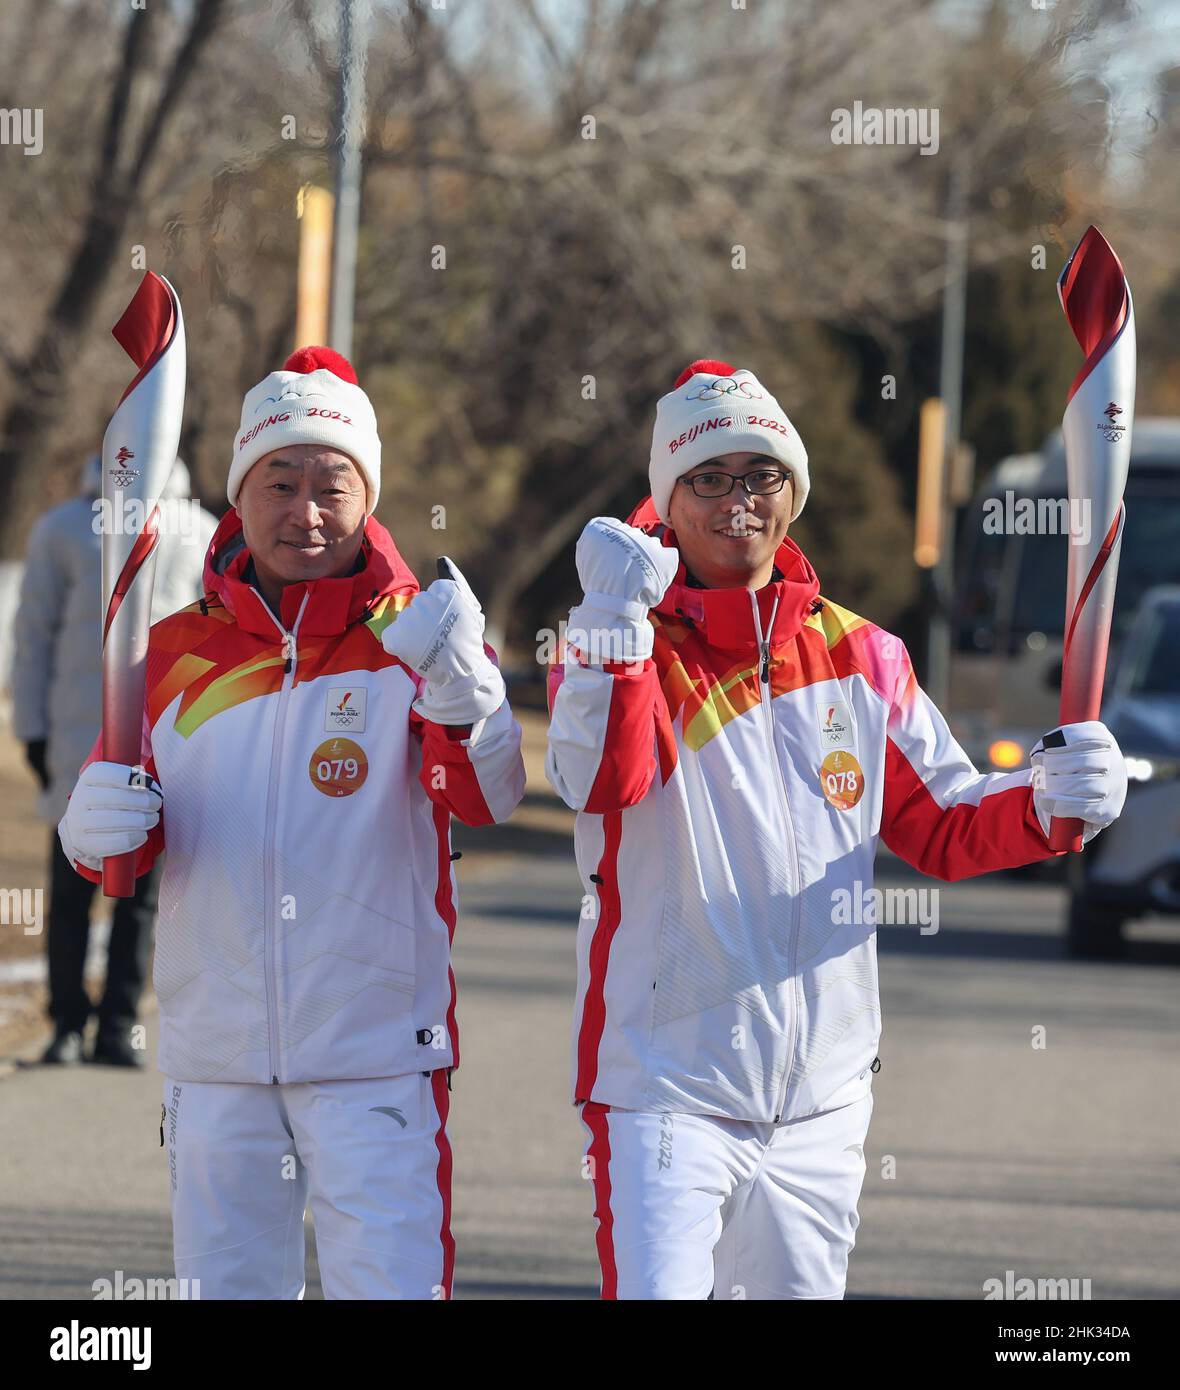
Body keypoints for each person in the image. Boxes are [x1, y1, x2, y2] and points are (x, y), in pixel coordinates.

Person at [545, 358, 1128, 1300]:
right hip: (666, 1091)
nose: (739, 500)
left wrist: (1052, 807)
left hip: (821, 1102)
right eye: (708, 479)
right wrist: (614, 626)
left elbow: (941, 822)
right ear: (668, 499)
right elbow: (605, 782)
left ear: (794, 492)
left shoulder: (863, 653)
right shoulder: (623, 644)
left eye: (761, 475)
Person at [58, 346, 526, 1299]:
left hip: (377, 1059)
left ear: (369, 496)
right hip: (216, 1055)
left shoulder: (417, 638)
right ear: (241, 494)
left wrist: (467, 700)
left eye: (332, 485)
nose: (306, 512)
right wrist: (90, 829)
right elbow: (132, 832)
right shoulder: (175, 653)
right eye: (281, 482)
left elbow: (487, 798)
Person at [12, 453, 217, 1066]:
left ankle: (120, 1025)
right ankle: (68, 1025)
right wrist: (34, 730)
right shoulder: (63, 528)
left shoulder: (201, 532)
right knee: (74, 893)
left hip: (169, 745)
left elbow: (219, 641)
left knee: (143, 897)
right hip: (80, 747)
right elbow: (33, 636)